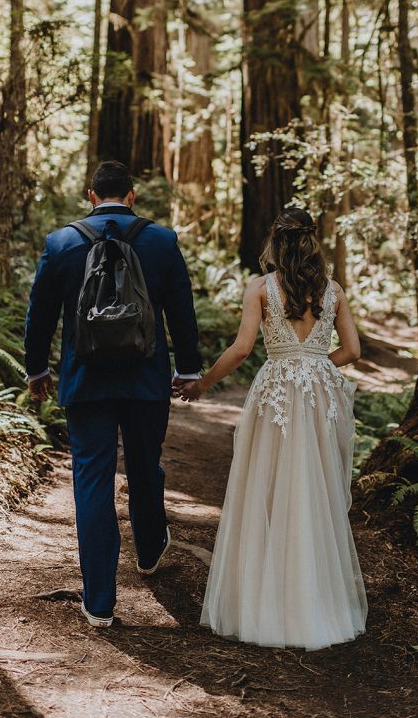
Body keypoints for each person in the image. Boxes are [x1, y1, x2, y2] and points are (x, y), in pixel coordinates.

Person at [173, 207, 367, 651]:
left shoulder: (260, 288)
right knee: (313, 488)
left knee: (268, 485)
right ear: (312, 242)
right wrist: (318, 365)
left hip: (276, 391)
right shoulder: (333, 291)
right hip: (318, 395)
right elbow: (353, 350)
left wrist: (202, 384)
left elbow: (242, 350)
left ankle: (267, 600)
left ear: (275, 243)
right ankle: (316, 606)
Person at [25, 161, 201, 628]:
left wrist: (37, 369)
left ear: (90, 195)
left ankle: (99, 601)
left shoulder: (61, 242)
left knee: (92, 482)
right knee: (145, 466)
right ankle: (149, 549)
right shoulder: (161, 241)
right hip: (146, 382)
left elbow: (40, 313)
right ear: (132, 194)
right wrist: (187, 369)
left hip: (86, 383)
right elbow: (181, 312)